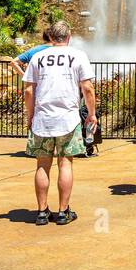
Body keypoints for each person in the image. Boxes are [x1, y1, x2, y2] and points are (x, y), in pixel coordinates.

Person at [22, 21, 96, 227]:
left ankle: (42, 212)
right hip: (68, 118)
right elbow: (88, 88)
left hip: (42, 119)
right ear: (69, 36)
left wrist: (30, 115)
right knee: (65, 163)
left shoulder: (37, 57)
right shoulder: (78, 55)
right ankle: (63, 211)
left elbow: (29, 91)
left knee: (42, 165)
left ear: (51, 37)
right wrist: (92, 114)